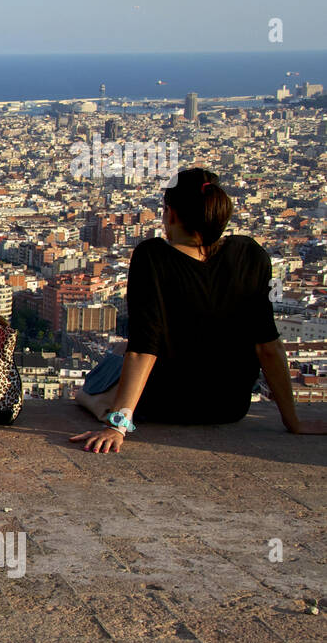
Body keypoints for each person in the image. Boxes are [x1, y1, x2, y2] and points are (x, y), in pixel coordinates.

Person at [72, 168, 327, 452]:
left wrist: (116, 427)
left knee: (104, 372)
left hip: (163, 404)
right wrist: (294, 422)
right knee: (122, 352)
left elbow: (144, 350)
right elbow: (268, 347)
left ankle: (107, 407)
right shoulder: (250, 254)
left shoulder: (153, 257)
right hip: (229, 406)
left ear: (171, 214)